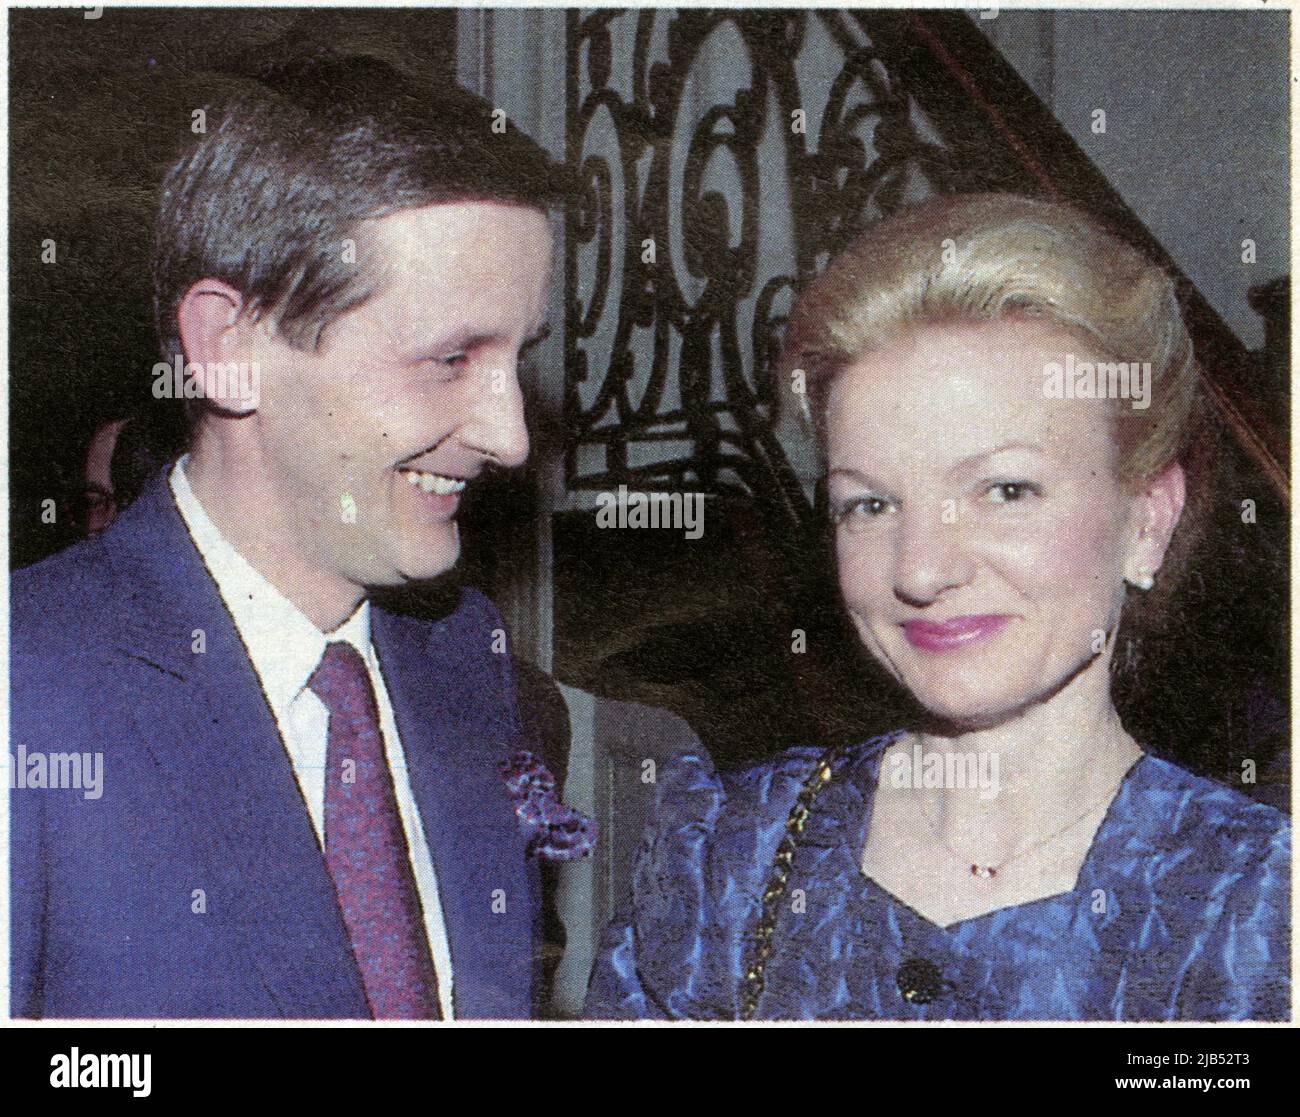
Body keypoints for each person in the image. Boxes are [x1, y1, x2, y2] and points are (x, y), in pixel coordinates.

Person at [585, 192, 1290, 1021]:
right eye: (870, 505)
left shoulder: (1257, 911)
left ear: (1147, 521)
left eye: (1004, 490)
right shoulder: (726, 862)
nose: (920, 570)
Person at [10, 49, 588, 1019]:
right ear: (228, 350)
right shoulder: (29, 688)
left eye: (514, 358)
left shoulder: (465, 656)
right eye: (450, 357)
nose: (509, 435)